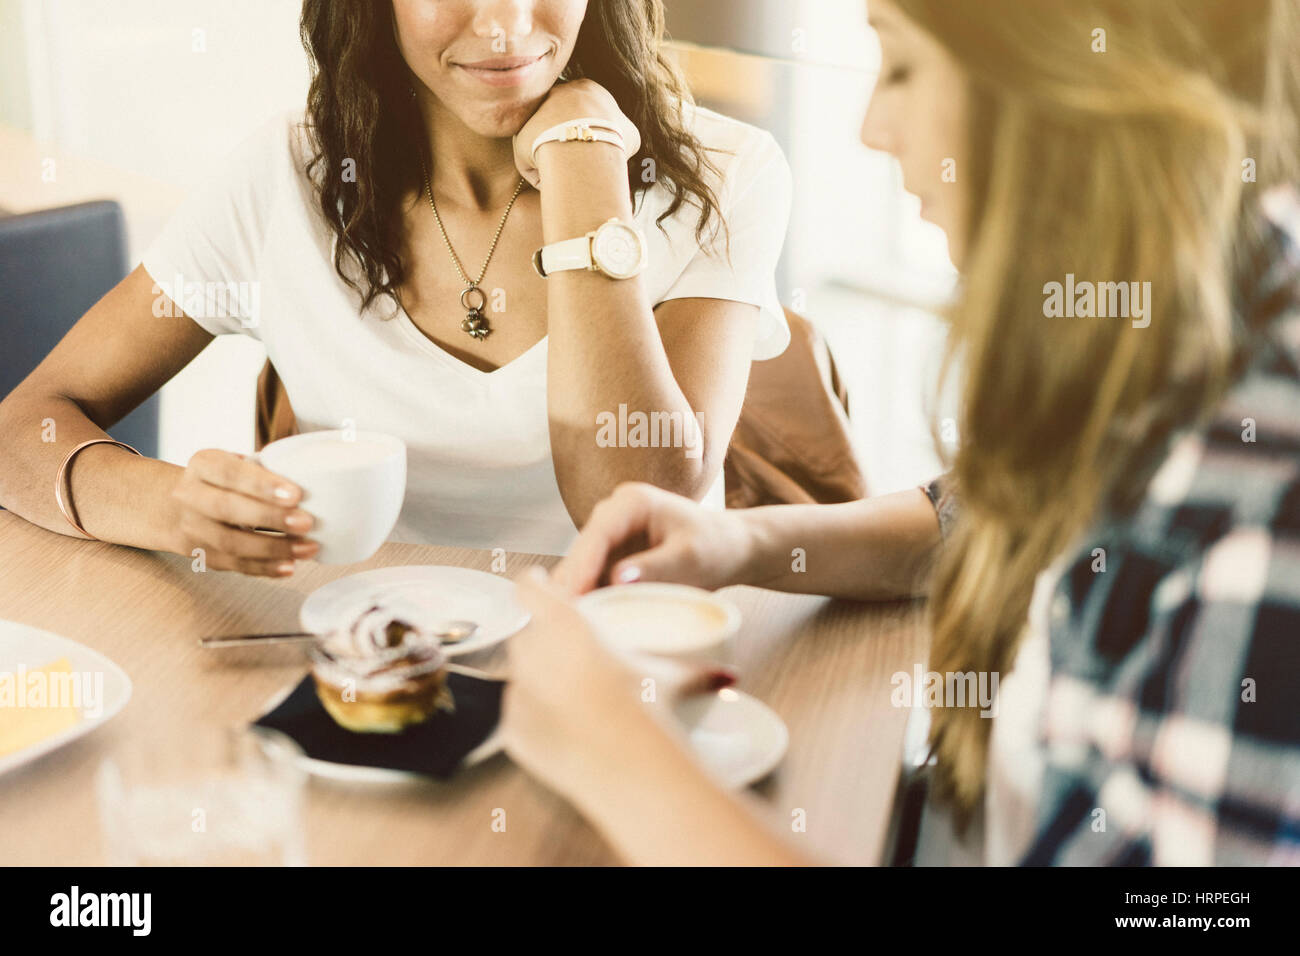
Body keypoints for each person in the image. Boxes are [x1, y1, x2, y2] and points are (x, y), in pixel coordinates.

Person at [500, 0, 1300, 865]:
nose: (874, 128)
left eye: (906, 66)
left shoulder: (1258, 518)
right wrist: (739, 541)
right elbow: (991, 519)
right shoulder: (1213, 313)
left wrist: (624, 761)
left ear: (1076, 86)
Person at [0, 0, 791, 570]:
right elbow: (22, 430)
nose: (506, 23)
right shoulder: (285, 178)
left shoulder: (728, 174)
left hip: (629, 666)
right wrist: (172, 507)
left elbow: (643, 503)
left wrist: (584, 162)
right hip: (367, 656)